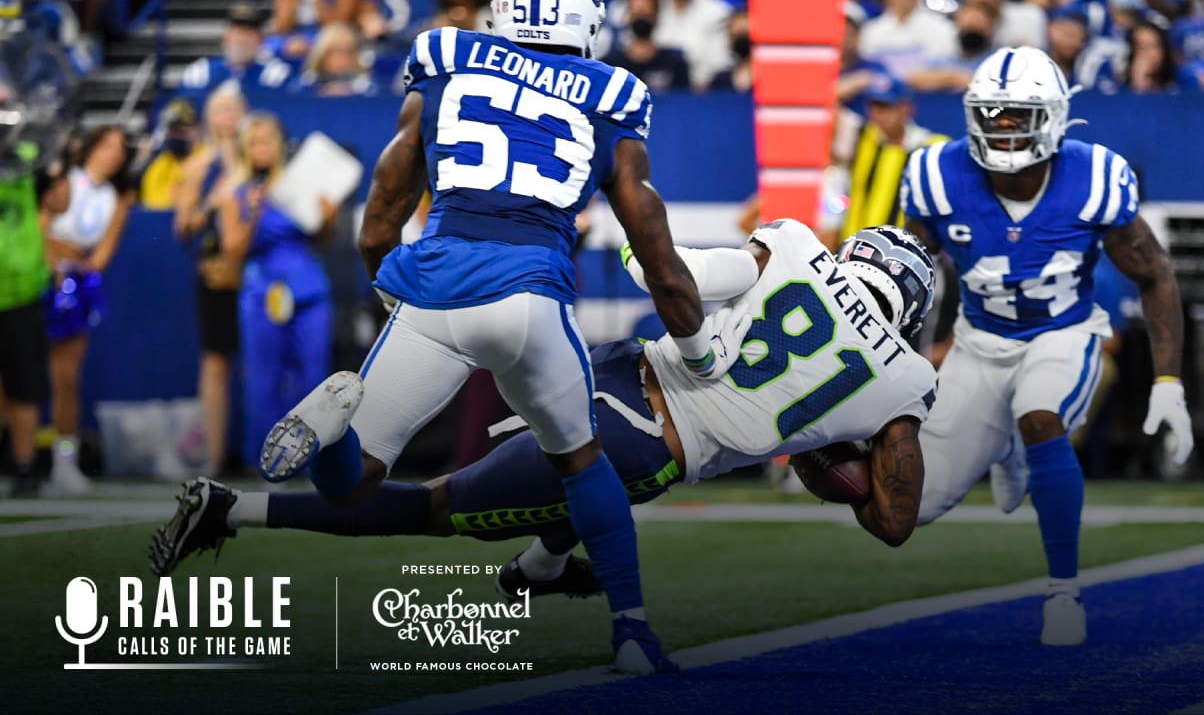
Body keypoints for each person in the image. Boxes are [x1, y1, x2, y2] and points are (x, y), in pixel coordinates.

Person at [252, 0, 736, 675]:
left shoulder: (447, 56)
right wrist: (697, 349)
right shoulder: (612, 92)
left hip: (434, 280)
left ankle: (330, 434)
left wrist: (390, 284)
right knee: (582, 462)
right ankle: (631, 632)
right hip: (527, 297)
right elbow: (654, 247)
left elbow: (385, 199)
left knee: (350, 482)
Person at [152, 220, 938, 610]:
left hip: (619, 369)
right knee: (431, 508)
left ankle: (539, 568)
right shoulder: (902, 380)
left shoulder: (797, 245)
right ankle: (233, 509)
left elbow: (688, 272)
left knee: (569, 481)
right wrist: (814, 453)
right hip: (645, 445)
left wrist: (647, 260)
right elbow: (894, 521)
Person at [901, 47, 1193, 646]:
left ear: (1056, 117)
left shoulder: (1094, 177)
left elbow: (1156, 274)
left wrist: (1169, 382)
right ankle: (1006, 445)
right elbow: (906, 270)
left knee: (1041, 413)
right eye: (994, 113)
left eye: (1018, 114)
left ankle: (1064, 593)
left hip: (1063, 333)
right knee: (914, 506)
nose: (1004, 126)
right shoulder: (934, 175)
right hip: (979, 344)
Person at [219, 112, 336, 476]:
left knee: (313, 376)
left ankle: (314, 462)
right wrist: (252, 213)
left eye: (267, 140)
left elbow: (323, 239)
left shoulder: (298, 187)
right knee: (263, 378)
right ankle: (268, 462)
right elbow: (232, 251)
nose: (261, 149)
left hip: (308, 288)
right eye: (253, 142)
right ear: (243, 149)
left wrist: (328, 218)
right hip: (261, 293)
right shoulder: (234, 193)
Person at [45, 124, 134, 495]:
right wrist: (54, 262)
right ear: (91, 147)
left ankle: (63, 465)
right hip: (40, 278)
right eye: (107, 145)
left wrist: (71, 267)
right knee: (12, 379)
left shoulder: (118, 199)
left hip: (77, 286)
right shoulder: (64, 179)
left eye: (120, 148)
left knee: (67, 378)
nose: (114, 153)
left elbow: (100, 257)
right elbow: (42, 224)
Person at [174, 83, 248, 478]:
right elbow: (182, 226)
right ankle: (215, 455)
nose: (228, 116)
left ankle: (259, 453)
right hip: (215, 274)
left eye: (234, 108)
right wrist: (211, 204)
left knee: (260, 364)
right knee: (216, 364)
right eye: (220, 109)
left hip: (256, 272)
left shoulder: (258, 154)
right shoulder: (198, 165)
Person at [821, 77, 947, 250]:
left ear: (906, 108)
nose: (879, 114)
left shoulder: (930, 147)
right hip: (853, 250)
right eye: (874, 106)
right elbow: (826, 102)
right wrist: (863, 79)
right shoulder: (863, 136)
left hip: (903, 256)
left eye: (887, 107)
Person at [0, 105, 56, 496]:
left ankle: (24, 467)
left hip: (20, 292)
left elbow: (62, 200)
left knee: (25, 387)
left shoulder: (28, 156)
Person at [176, 2, 293, 109]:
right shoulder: (200, 72)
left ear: (261, 41)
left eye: (249, 33)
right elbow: (186, 115)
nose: (242, 40)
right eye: (237, 32)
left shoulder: (276, 74)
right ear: (225, 37)